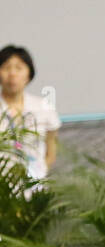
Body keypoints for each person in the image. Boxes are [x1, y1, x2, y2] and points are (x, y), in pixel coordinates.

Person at [0, 45, 59, 180]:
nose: (12, 74)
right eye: (6, 67)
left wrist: (39, 173)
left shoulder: (44, 107)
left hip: (34, 185)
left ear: (28, 73)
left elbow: (51, 151)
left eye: (19, 68)